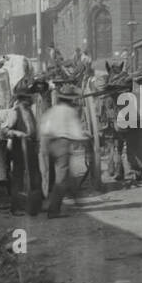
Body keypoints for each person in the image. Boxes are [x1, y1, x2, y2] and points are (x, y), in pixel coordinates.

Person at [39, 84, 88, 218]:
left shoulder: (53, 110)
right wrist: (84, 138)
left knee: (66, 173)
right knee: (61, 178)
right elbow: (75, 131)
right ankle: (53, 211)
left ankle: (77, 200)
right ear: (70, 100)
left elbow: (44, 126)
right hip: (61, 144)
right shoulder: (70, 112)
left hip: (48, 142)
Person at [4, 78, 43, 216]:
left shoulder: (29, 110)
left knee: (35, 176)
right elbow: (5, 131)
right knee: (19, 177)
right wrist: (18, 133)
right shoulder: (15, 112)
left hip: (30, 146)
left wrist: (37, 141)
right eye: (30, 97)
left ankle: (35, 205)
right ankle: (16, 207)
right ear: (24, 98)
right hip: (19, 147)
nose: (32, 99)